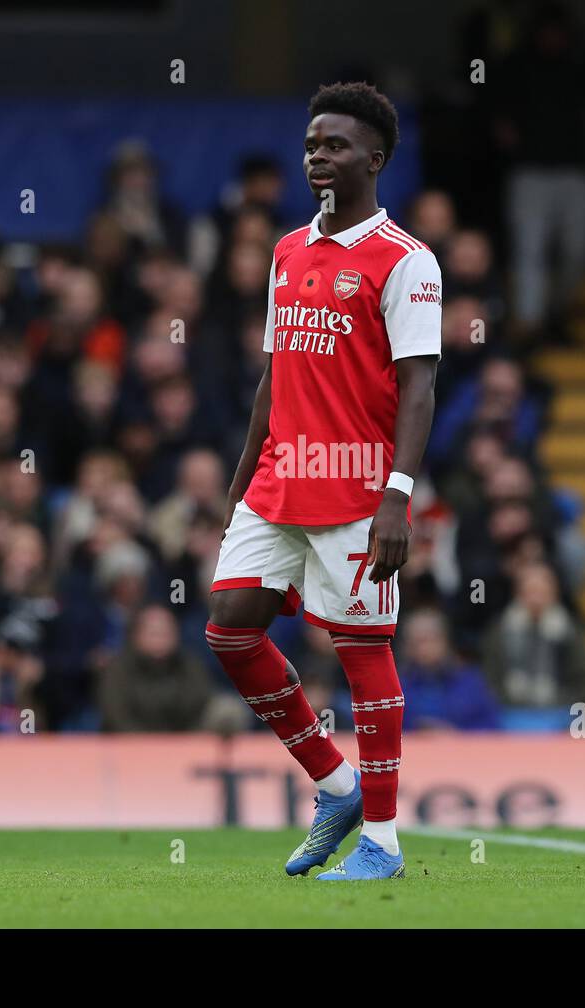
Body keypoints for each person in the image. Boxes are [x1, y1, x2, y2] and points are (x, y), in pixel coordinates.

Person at [205, 82, 441, 881]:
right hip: (280, 479)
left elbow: (419, 386)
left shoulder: (405, 261)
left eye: (334, 145)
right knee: (230, 628)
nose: (317, 156)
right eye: (310, 144)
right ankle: (335, 786)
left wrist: (399, 494)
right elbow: (275, 375)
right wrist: (242, 480)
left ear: (374, 159)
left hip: (356, 486)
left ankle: (382, 842)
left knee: (361, 650)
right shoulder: (285, 251)